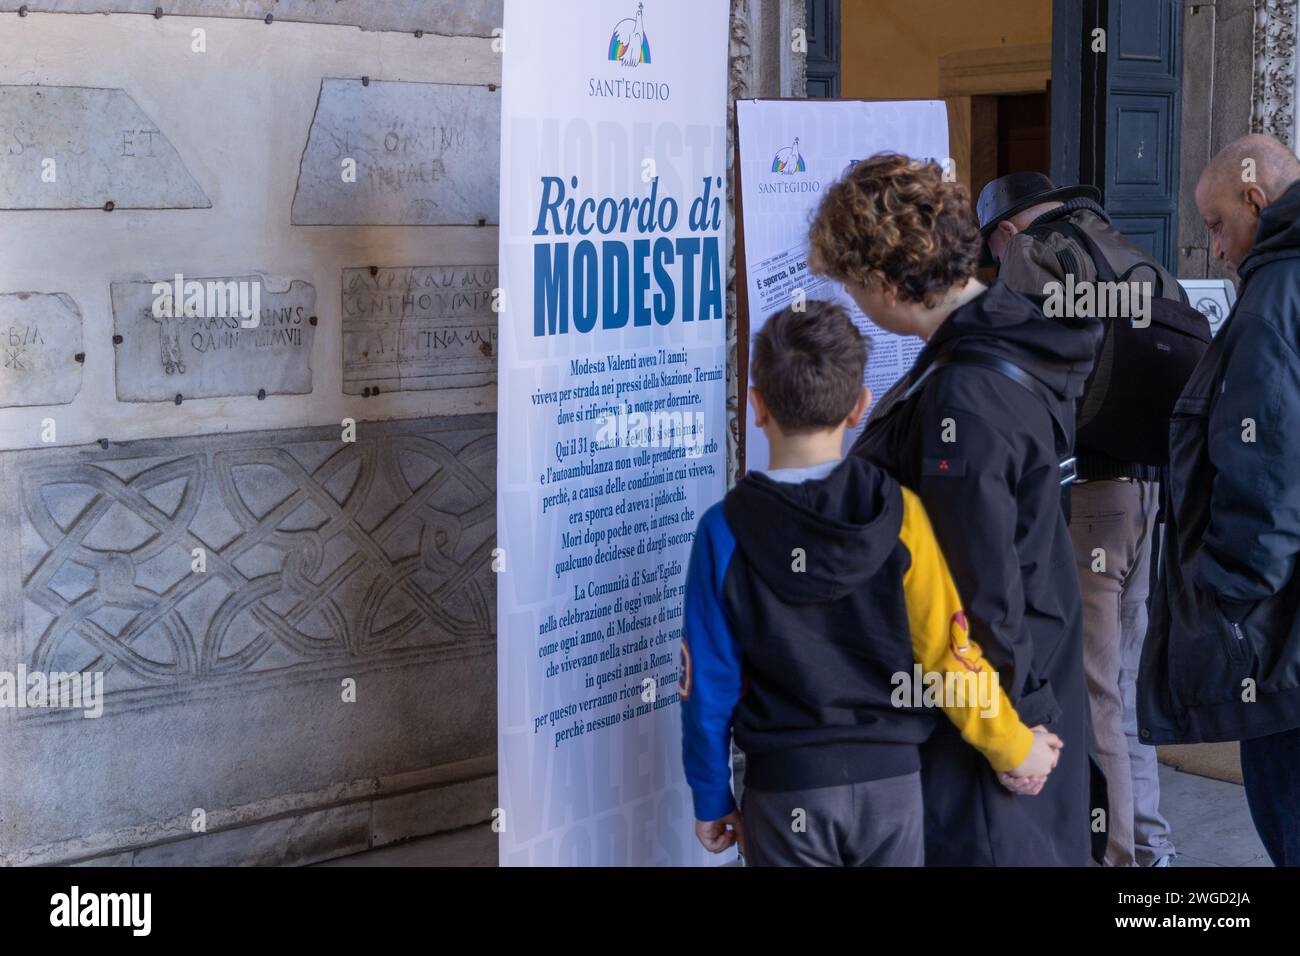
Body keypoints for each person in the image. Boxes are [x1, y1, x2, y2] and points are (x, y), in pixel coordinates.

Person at [679, 300, 1061, 866]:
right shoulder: (901, 514)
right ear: (860, 408)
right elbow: (949, 659)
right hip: (893, 786)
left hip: (786, 790)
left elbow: (705, 690)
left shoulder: (722, 531)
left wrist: (711, 796)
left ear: (755, 406)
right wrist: (1014, 745)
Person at [809, 153, 1102, 866]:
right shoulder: (998, 335)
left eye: (852, 285)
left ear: (882, 282)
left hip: (993, 731)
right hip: (1014, 695)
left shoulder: (960, 395)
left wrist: (1018, 738)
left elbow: (981, 586)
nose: (854, 303)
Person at [976, 171, 1181, 867]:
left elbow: (1004, 378)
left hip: (1093, 497)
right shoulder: (1131, 251)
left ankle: (1122, 862)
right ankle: (1151, 844)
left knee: (1095, 691)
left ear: (1004, 233)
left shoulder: (1032, 254)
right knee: (1121, 685)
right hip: (1155, 493)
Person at [1139, 133, 1300, 867]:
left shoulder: (1272, 298)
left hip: (1279, 642)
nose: (1214, 249)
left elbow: (1265, 468)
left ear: (1255, 202)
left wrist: (1228, 602)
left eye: (1216, 225)